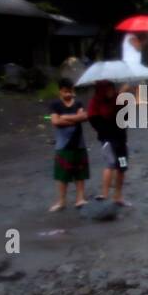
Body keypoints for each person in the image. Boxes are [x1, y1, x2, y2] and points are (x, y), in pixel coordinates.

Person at [49, 78, 89, 211]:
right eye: (66, 92)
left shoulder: (78, 103)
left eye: (70, 91)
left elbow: (84, 117)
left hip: (78, 143)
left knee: (80, 173)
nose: (68, 94)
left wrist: (65, 117)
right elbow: (55, 122)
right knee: (62, 175)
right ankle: (61, 201)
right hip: (63, 145)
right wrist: (74, 119)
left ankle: (80, 198)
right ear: (60, 91)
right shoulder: (55, 104)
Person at [88, 79, 129, 204]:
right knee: (110, 164)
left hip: (121, 139)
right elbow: (98, 119)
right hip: (108, 140)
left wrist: (124, 102)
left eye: (112, 88)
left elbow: (126, 116)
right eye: (108, 89)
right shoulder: (96, 102)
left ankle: (118, 196)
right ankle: (104, 195)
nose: (110, 91)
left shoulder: (119, 97)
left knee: (122, 166)